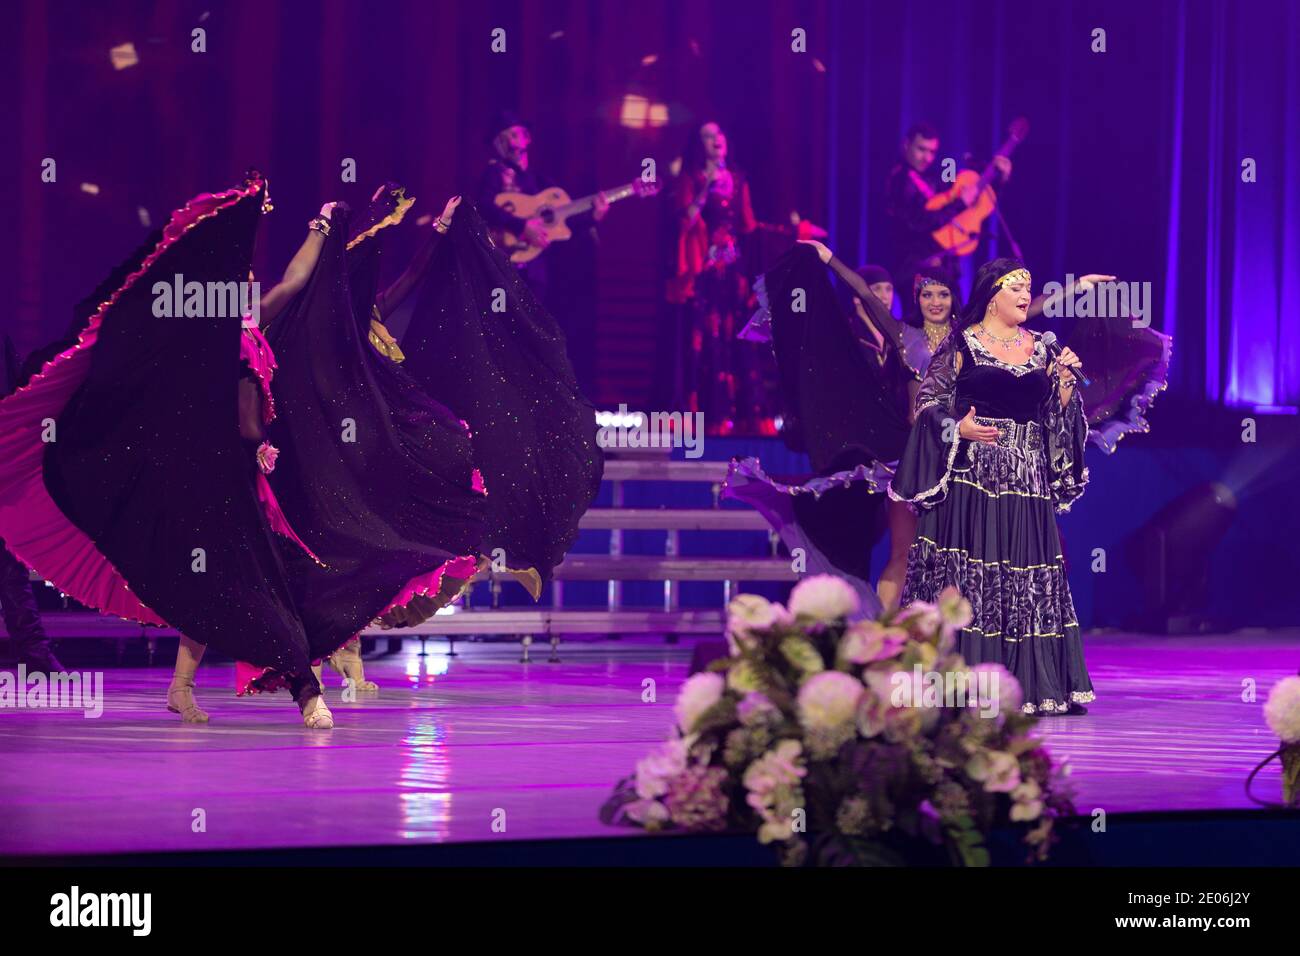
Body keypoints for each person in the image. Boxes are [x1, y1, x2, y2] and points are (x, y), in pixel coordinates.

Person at [0, 175, 337, 727]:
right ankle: (307, 692)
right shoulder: (206, 334)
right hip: (211, 480)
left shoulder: (255, 322)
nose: (247, 281)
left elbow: (296, 280)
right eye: (238, 276)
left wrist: (321, 225)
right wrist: (245, 217)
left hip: (246, 479)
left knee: (233, 579)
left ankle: (186, 688)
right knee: (252, 579)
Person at [889, 258, 1093, 715]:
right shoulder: (963, 343)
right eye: (1017, 288)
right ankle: (950, 683)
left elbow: (1054, 419)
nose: (1026, 297)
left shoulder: (1042, 348)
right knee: (970, 581)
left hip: (1026, 479)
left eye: (1029, 288)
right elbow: (926, 405)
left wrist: (1062, 389)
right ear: (993, 295)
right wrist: (956, 429)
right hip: (970, 481)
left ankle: (1029, 686)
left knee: (1021, 579)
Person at [667, 121, 774, 435]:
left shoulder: (738, 179)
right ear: (699, 145)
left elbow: (748, 225)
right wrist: (705, 188)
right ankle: (708, 416)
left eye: (720, 134)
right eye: (708, 136)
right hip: (703, 273)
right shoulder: (691, 178)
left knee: (735, 337)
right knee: (707, 337)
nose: (716, 140)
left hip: (732, 272)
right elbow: (684, 218)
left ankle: (740, 416)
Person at [884, 121, 1010, 291]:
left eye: (932, 152)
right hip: (913, 267)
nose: (927, 158)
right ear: (906, 145)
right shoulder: (899, 179)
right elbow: (916, 222)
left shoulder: (934, 176)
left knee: (955, 314)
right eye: (921, 149)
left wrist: (998, 181)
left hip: (945, 265)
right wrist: (960, 204)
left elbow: (978, 206)